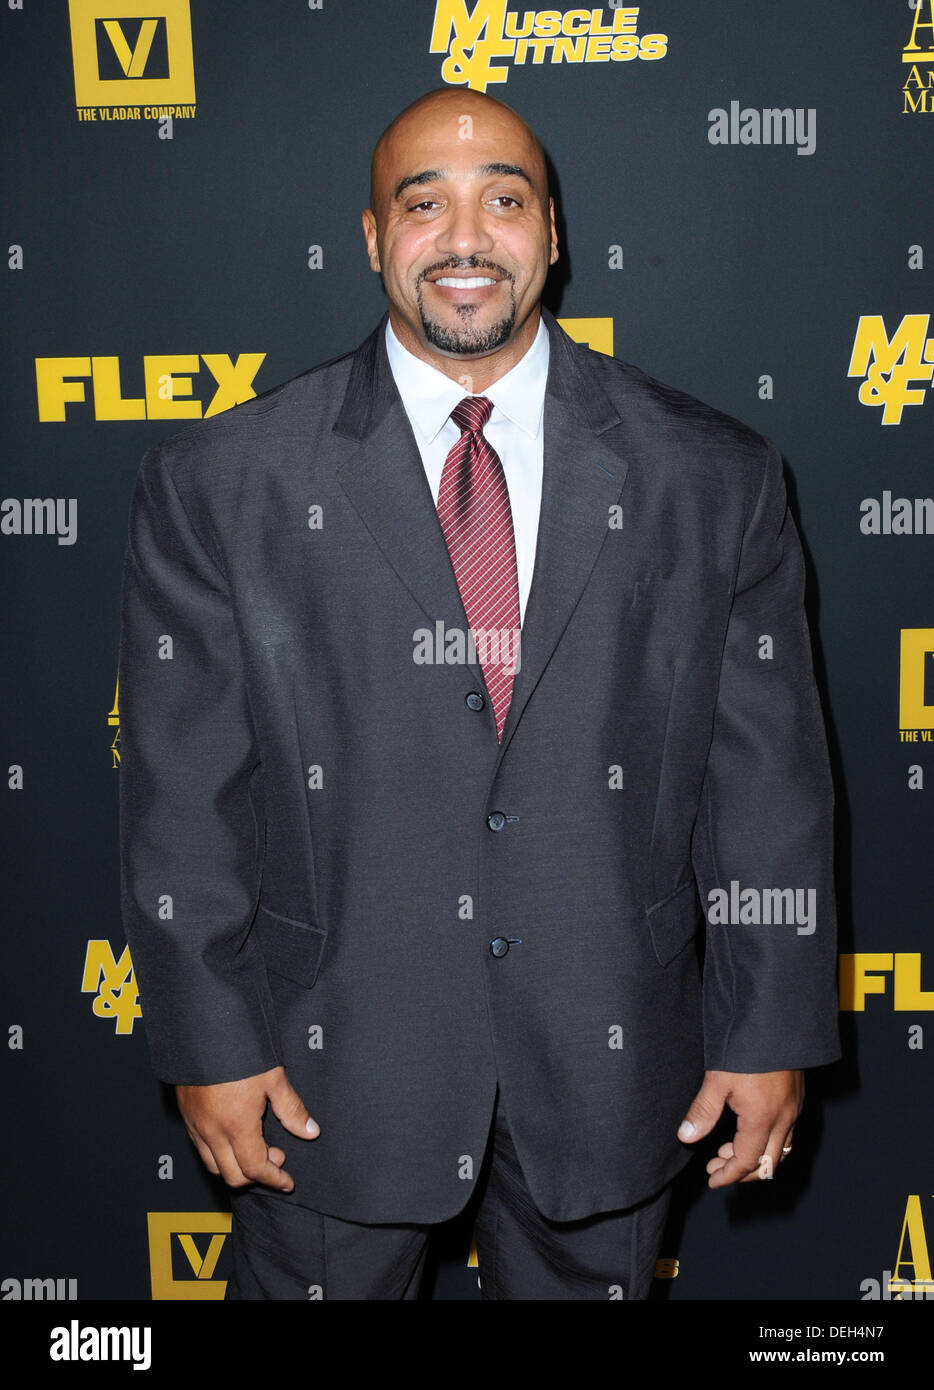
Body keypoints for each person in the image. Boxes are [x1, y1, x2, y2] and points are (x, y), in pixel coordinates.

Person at [118, 87, 840, 1301]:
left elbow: (766, 784)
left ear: (553, 235)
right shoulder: (223, 481)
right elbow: (183, 796)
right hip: (325, 1070)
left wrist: (768, 1025)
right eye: (425, 203)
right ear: (369, 236)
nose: (466, 237)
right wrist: (208, 1040)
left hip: (612, 1066)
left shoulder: (712, 477)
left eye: (503, 200)